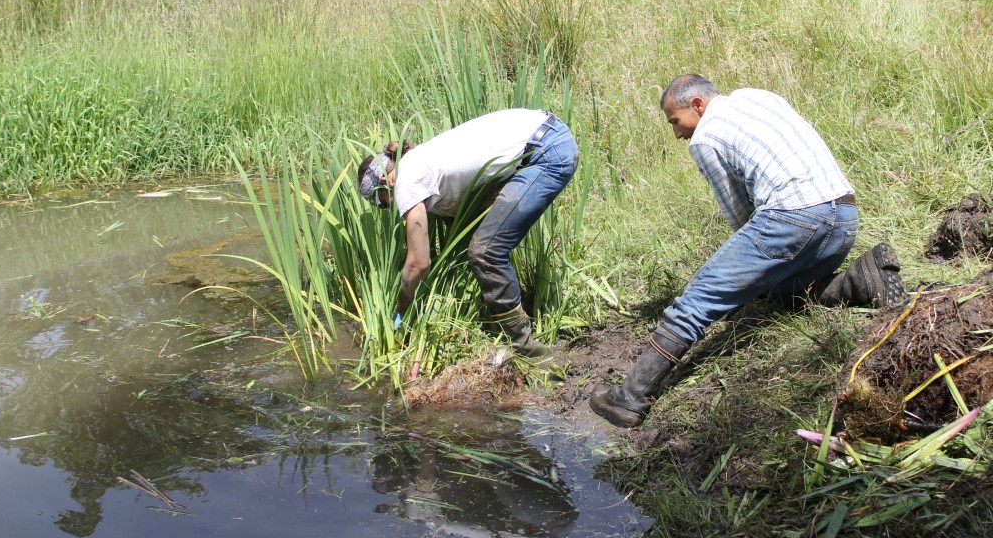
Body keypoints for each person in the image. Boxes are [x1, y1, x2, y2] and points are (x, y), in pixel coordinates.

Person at [590, 74, 908, 429]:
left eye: (675, 122)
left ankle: (629, 398)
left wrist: (737, 277)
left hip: (794, 217)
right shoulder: (758, 97)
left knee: (695, 303)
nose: (677, 134)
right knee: (784, 294)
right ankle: (863, 280)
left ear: (697, 105)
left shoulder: (706, 136)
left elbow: (741, 215)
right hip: (844, 215)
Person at [358, 108, 578, 356]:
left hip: (547, 152)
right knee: (471, 237)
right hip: (544, 134)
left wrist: (399, 310)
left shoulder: (406, 180)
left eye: (383, 204)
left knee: (485, 251)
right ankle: (500, 312)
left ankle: (525, 347)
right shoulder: (418, 162)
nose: (390, 209)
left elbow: (418, 264)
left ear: (384, 183)